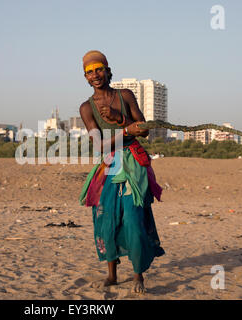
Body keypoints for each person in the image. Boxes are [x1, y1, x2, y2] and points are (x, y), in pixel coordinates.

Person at [78, 50, 165, 294]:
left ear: (107, 70)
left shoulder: (125, 95)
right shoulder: (87, 108)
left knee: (133, 219)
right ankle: (112, 274)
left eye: (98, 69)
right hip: (108, 165)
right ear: (85, 77)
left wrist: (119, 118)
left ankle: (138, 275)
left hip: (133, 165)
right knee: (106, 218)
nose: (95, 75)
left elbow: (144, 129)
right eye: (89, 72)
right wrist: (126, 131)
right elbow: (100, 145)